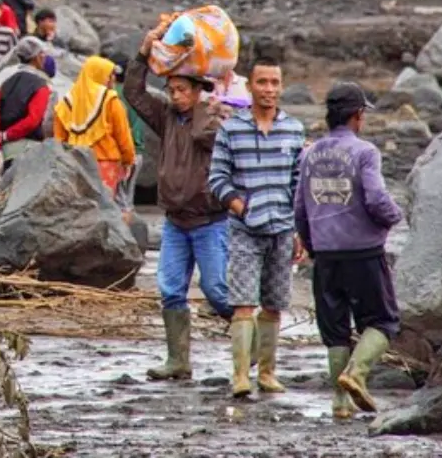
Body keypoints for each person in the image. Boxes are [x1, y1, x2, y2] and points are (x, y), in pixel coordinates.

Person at [124, 27, 233, 381]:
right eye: (171, 90)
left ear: (199, 90)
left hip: (210, 221)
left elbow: (205, 136)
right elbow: (134, 93)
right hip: (175, 222)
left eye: (182, 90)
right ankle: (178, 361)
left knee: (217, 290)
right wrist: (143, 53)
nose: (175, 96)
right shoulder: (167, 117)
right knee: (171, 288)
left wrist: (205, 103)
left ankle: (253, 346)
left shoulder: (216, 117)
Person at [295, 83, 402, 418]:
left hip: (326, 254)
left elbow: (299, 207)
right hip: (363, 252)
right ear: (358, 116)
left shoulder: (309, 154)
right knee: (384, 321)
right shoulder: (365, 152)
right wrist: (394, 217)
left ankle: (340, 404)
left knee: (335, 329)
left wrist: (311, 244)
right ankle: (356, 373)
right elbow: (375, 198)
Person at [208, 58, 306, 399]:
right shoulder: (231, 129)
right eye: (262, 82)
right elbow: (217, 178)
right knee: (242, 303)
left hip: (281, 229)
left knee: (275, 304)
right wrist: (241, 207)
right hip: (244, 229)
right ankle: (239, 376)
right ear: (249, 87)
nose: (268, 89)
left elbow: (298, 184)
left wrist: (299, 231)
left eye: (274, 83)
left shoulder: (294, 129)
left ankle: (267, 372)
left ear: (281, 87)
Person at [53, 56, 135, 192]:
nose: (112, 79)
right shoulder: (110, 101)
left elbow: (59, 141)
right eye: (109, 75)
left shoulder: (65, 104)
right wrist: (128, 160)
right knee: (105, 207)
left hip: (76, 163)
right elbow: (123, 135)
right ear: (99, 76)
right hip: (106, 164)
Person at [0, 37, 53, 173]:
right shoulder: (41, 86)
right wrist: (8, 135)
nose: (44, 58)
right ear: (37, 57)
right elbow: (33, 120)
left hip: (7, 153)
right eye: (42, 54)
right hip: (29, 151)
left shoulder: (7, 82)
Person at [109, 52, 147, 222]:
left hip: (122, 154)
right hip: (138, 152)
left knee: (117, 200)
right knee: (127, 200)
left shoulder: (112, 95)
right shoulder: (136, 93)